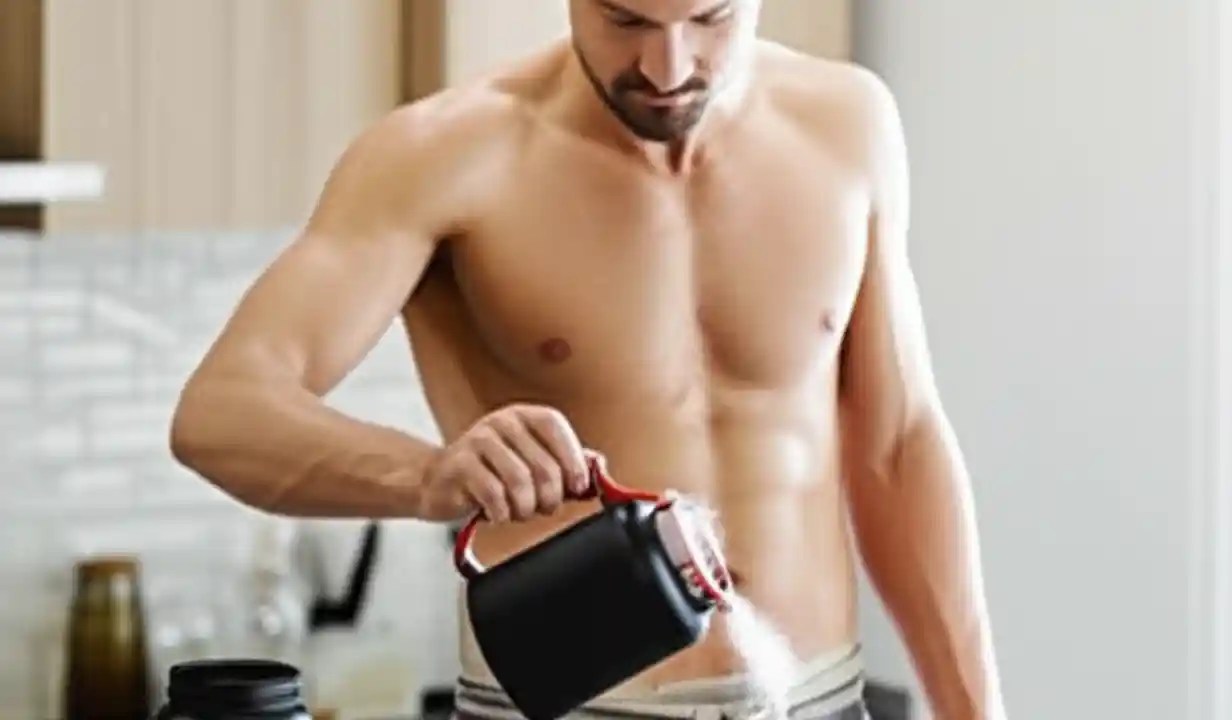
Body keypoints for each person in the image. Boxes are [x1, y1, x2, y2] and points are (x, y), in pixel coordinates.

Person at [169, 1, 1007, 718]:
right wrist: (428, 477)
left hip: (821, 698)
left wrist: (974, 710)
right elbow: (221, 411)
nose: (668, 65)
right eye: (624, 18)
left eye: (710, 16)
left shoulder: (849, 124)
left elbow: (897, 447)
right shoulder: (443, 156)